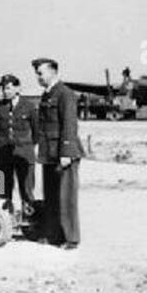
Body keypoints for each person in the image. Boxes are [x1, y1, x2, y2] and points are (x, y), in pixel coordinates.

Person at [33, 57, 83, 249]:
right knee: (51, 196)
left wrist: (67, 152)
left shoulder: (65, 93)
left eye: (40, 73)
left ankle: (71, 238)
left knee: (66, 197)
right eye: (37, 73)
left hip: (63, 153)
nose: (38, 77)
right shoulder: (47, 94)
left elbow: (69, 124)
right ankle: (53, 234)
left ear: (53, 72)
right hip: (49, 153)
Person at [0, 73, 39, 218]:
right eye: (3, 88)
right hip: (4, 155)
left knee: (27, 189)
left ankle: (30, 220)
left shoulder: (29, 106)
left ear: (17, 88)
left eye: (8, 88)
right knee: (1, 188)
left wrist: (27, 146)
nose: (5, 91)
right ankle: (4, 218)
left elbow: (37, 132)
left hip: (24, 154)